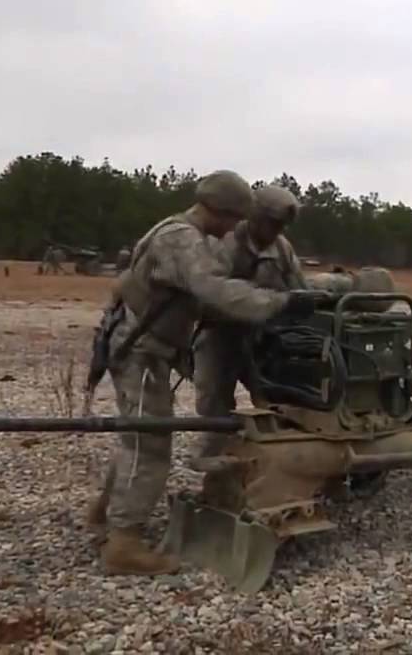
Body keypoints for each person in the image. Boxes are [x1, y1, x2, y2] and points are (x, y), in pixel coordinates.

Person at [85, 170, 319, 576]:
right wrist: (277, 304)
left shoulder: (198, 237)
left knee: (138, 432)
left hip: (156, 347)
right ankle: (123, 543)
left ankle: (105, 512)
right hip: (141, 348)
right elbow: (212, 289)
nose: (236, 227)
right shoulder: (181, 239)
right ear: (221, 210)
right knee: (150, 440)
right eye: (235, 217)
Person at [192, 185, 306, 459]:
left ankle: (275, 463)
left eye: (282, 226)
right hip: (219, 334)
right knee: (214, 408)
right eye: (273, 223)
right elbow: (207, 295)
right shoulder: (224, 244)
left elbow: (298, 289)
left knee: (277, 400)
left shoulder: (282, 249)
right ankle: (213, 467)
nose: (277, 231)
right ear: (255, 216)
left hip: (263, 338)